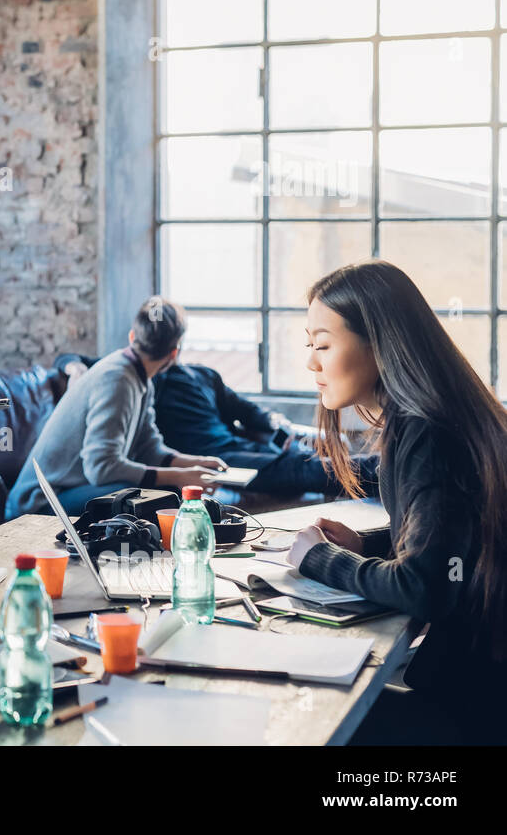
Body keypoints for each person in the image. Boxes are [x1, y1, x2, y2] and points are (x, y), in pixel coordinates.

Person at [285, 261, 507, 744]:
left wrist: (320, 558)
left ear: (380, 343)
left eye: (323, 345)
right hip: (477, 681)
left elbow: (427, 588)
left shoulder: (428, 432)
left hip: (475, 705)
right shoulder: (435, 417)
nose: (312, 363)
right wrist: (367, 544)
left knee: (296, 715)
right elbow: (455, 540)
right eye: (310, 346)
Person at [6, 297, 227, 520]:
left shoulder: (141, 379)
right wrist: (179, 477)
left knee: (164, 491)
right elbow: (101, 468)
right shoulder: (117, 381)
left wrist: (196, 463)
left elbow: (149, 449)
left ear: (132, 336)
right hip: (41, 501)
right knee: (158, 494)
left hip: (73, 490)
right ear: (174, 352)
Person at [153, 362, 379, 498]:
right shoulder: (148, 388)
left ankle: (380, 470)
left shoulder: (202, 375)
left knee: (302, 457)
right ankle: (378, 470)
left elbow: (247, 410)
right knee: (299, 469)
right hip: (215, 463)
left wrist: (276, 424)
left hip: (244, 448)